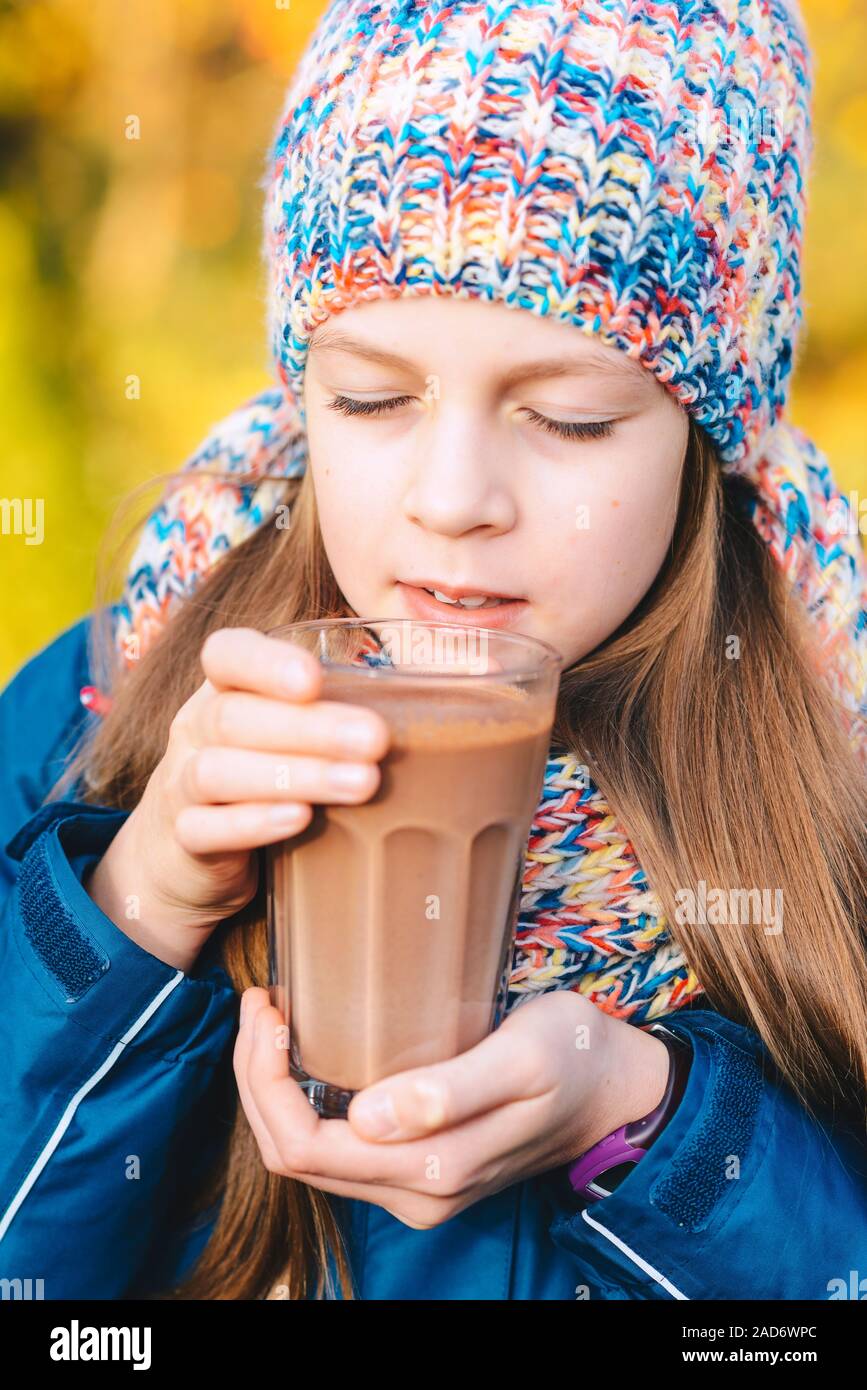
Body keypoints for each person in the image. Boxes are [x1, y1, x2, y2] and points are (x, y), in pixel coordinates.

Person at [1, 0, 865, 1301]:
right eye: (371, 398)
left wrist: (647, 1123)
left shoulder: (828, 774)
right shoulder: (100, 712)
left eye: (569, 416)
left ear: (708, 435)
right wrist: (128, 911)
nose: (454, 497)